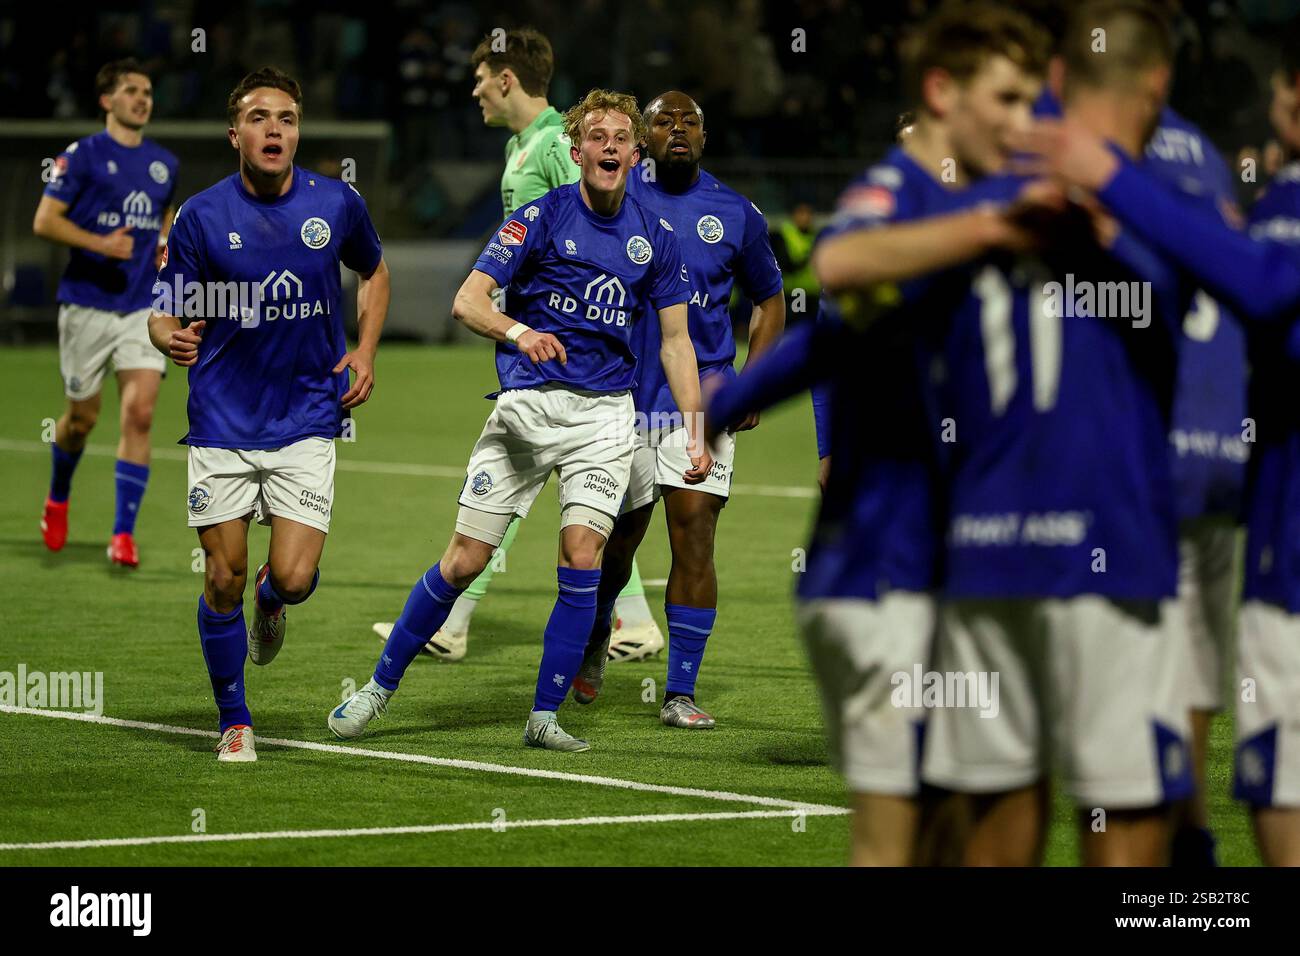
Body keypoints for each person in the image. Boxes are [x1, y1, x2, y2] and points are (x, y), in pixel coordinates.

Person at [707, 2, 1049, 864]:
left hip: (959, 568)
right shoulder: (898, 193)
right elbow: (842, 265)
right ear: (942, 94)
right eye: (1006, 99)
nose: (1023, 120)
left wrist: (726, 400)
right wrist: (994, 228)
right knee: (897, 834)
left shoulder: (979, 208)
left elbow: (832, 339)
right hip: (877, 575)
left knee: (981, 815)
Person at [329, 90, 709, 753]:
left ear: (635, 151)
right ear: (577, 148)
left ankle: (543, 716)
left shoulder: (656, 239)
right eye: (598, 135)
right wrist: (519, 331)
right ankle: (377, 690)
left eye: (623, 136)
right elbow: (468, 300)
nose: (611, 145)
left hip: (604, 417)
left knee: (582, 557)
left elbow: (676, 343)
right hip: (528, 410)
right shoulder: (540, 217)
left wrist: (696, 428)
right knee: (463, 560)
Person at [1012, 20, 1300, 866]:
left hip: (1137, 491)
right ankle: (1192, 855)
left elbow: (1264, 289)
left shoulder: (1053, 154)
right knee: (1193, 680)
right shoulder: (1211, 165)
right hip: (1231, 486)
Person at [374, 28, 666, 663]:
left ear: (507, 79)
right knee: (541, 494)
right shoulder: (520, 147)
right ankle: (626, 618)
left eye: (481, 77)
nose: (474, 88)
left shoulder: (560, 147)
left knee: (559, 497)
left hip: (574, 354)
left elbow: (601, 223)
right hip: (530, 343)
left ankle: (614, 620)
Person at [147, 67, 390, 762]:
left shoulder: (337, 203)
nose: (274, 128)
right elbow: (163, 310)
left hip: (309, 417)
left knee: (292, 577)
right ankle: (235, 717)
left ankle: (273, 599)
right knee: (219, 577)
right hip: (222, 420)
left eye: (285, 117)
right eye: (259, 117)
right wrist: (171, 336)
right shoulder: (199, 215)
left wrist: (366, 351)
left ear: (297, 130)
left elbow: (374, 270)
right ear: (235, 135)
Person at [565, 90, 785, 729]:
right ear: (640, 139)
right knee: (618, 541)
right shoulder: (616, 198)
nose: (678, 130)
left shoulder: (735, 212)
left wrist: (751, 382)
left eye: (690, 120)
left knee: (694, 536)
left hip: (704, 396)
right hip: (623, 397)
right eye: (664, 121)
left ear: (705, 136)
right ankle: (598, 625)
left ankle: (680, 692)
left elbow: (770, 302)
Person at [34, 58, 178, 568]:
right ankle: (57, 495)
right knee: (81, 419)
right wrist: (100, 242)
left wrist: (165, 241)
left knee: (139, 414)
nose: (143, 99)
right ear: (106, 100)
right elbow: (45, 220)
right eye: (132, 90)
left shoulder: (164, 163)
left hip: (140, 307)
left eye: (148, 91)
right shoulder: (82, 157)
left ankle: (123, 534)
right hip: (86, 306)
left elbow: (163, 218)